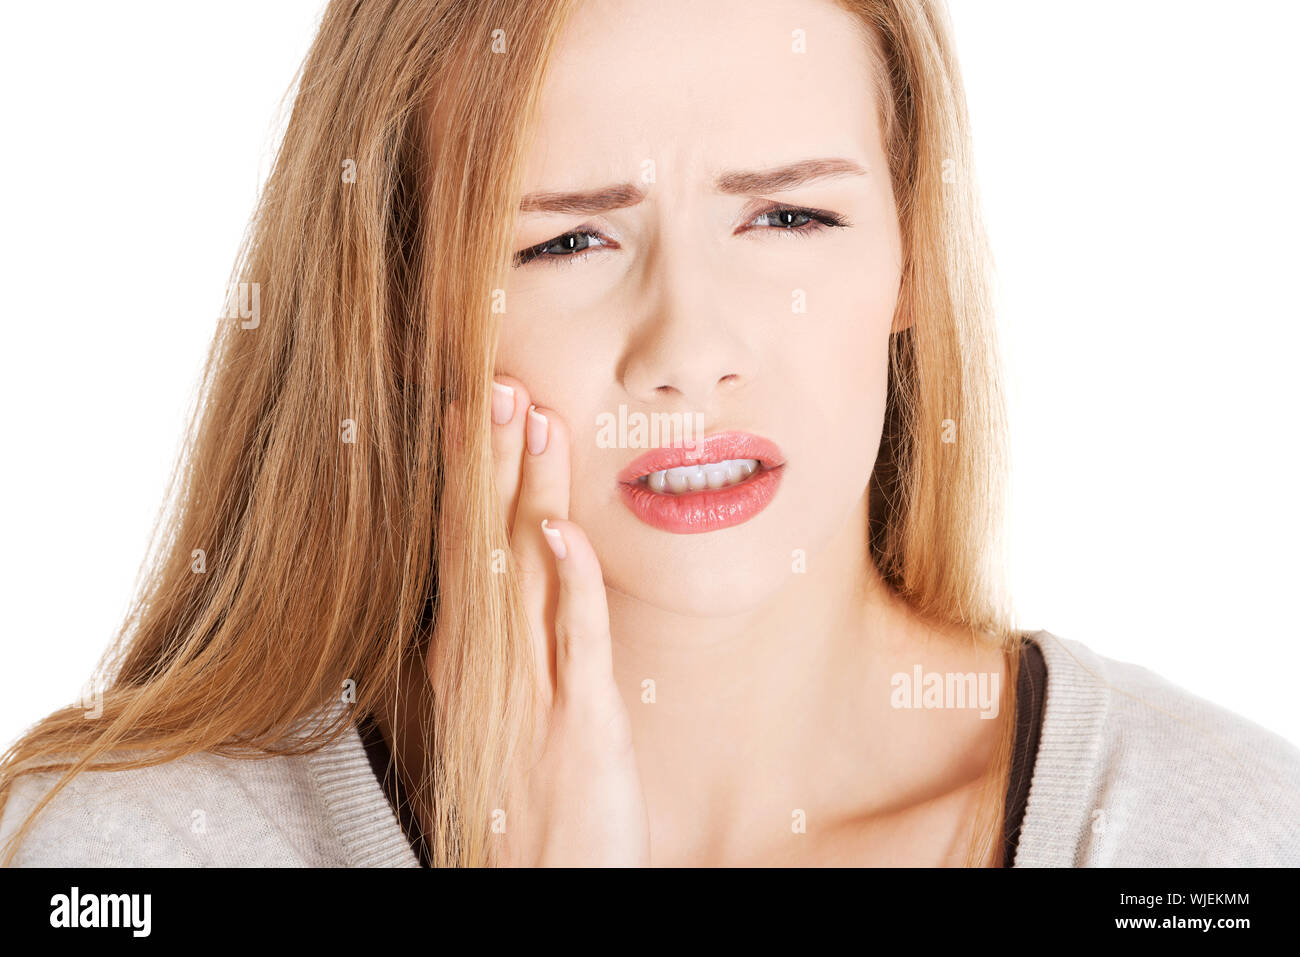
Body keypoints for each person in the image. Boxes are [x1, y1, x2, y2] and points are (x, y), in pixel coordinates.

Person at [2, 0, 1297, 868]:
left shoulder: (1213, 843)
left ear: (908, 255)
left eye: (789, 219)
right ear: (402, 310)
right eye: (568, 238)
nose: (688, 349)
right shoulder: (136, 850)